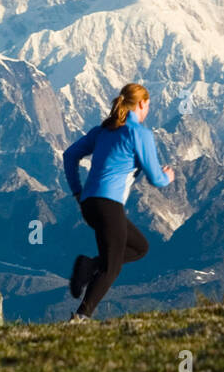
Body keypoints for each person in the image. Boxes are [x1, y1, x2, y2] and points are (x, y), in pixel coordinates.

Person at [62, 82, 174, 321]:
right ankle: (81, 318)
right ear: (142, 104)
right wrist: (168, 176)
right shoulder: (139, 133)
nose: (148, 111)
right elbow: (156, 178)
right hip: (109, 205)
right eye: (148, 106)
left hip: (89, 204)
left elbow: (69, 155)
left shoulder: (102, 131)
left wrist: (76, 191)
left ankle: (89, 266)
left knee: (140, 247)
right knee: (111, 268)